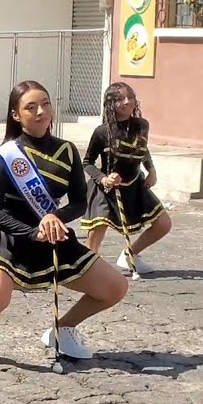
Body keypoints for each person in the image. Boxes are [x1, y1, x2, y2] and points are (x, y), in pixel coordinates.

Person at [0, 80, 128, 368]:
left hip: (52, 234)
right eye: (31, 107)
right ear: (16, 115)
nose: (41, 111)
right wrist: (32, 230)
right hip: (8, 237)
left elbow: (78, 201)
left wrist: (55, 218)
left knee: (115, 287)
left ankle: (61, 330)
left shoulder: (66, 151)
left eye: (45, 104)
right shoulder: (6, 155)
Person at [80, 83, 171, 275]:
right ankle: (88, 268)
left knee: (163, 224)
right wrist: (104, 178)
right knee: (98, 226)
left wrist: (151, 170)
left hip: (134, 185)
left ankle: (130, 254)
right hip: (107, 188)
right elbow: (87, 162)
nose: (127, 102)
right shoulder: (102, 132)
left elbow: (142, 148)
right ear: (110, 103)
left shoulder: (142, 125)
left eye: (130, 97)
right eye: (120, 99)